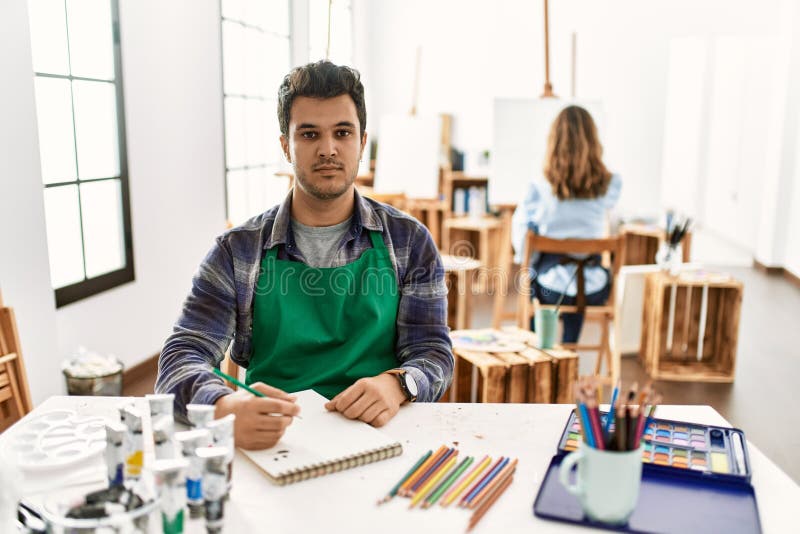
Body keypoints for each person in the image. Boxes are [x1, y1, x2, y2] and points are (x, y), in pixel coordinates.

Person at [156, 61, 453, 449]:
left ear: (362, 142)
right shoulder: (237, 250)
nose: (328, 149)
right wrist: (223, 407)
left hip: (382, 436)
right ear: (286, 146)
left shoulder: (409, 241)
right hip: (275, 443)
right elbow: (181, 357)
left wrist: (399, 384)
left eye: (342, 133)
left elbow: (433, 353)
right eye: (310, 134)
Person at [511, 105, 622, 343]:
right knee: (579, 278)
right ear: (593, 141)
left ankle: (541, 347)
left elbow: (521, 245)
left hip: (550, 289)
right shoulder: (611, 184)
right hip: (594, 290)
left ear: (554, 142)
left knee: (536, 281)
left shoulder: (539, 187)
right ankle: (571, 347)